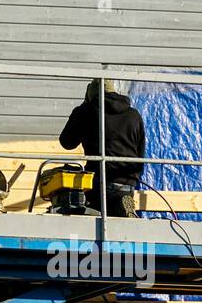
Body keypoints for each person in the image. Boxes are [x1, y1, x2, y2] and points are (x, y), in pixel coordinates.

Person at [58, 79, 146, 217]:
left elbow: (66, 142)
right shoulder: (134, 115)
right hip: (128, 184)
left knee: (82, 210)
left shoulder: (86, 111)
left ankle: (114, 205)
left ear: (91, 94)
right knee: (117, 216)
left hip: (98, 183)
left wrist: (84, 107)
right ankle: (122, 202)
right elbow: (141, 153)